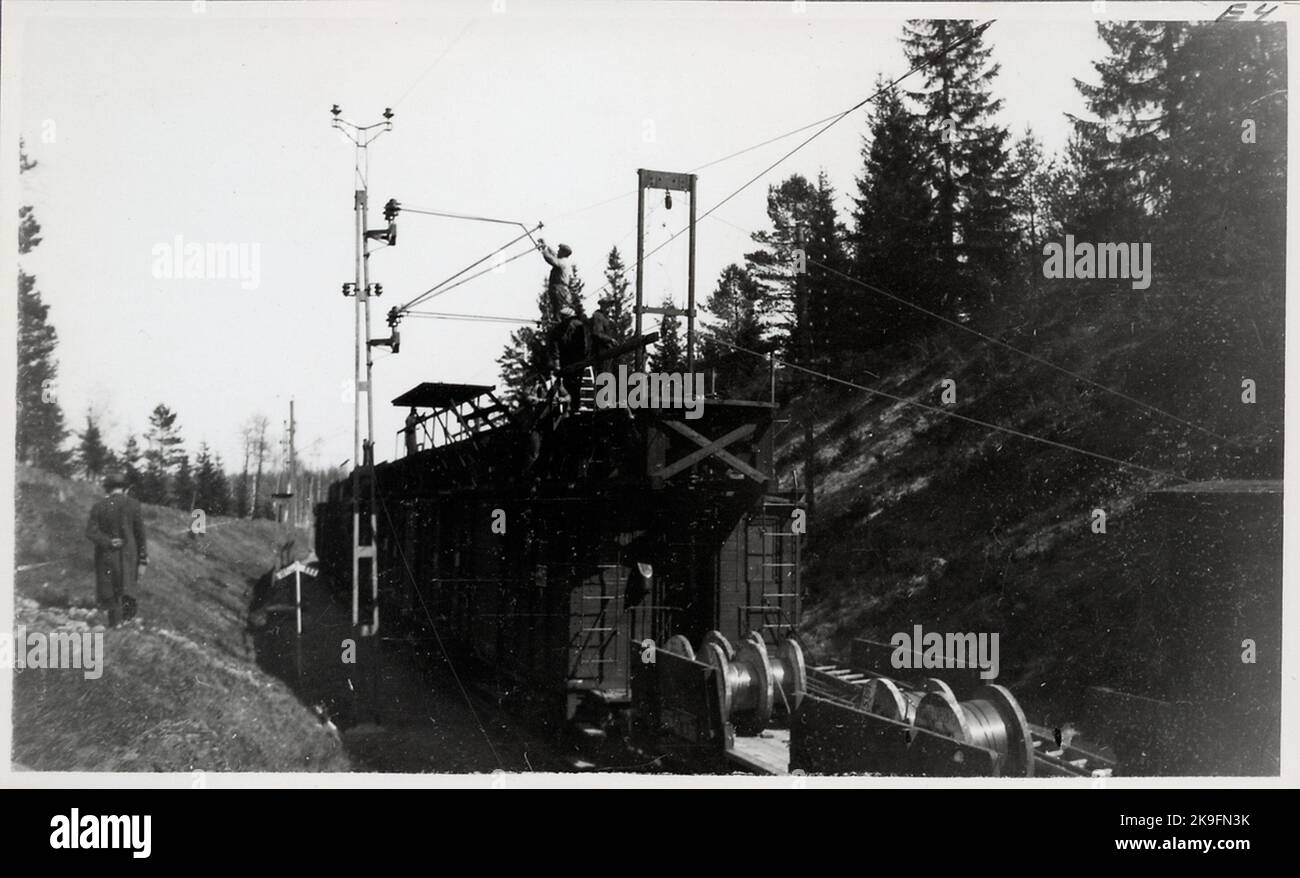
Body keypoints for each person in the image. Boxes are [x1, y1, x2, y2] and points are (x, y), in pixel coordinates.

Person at [85, 468, 148, 628]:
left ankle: (115, 624)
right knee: (127, 588)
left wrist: (108, 541)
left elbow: (90, 532)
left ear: (107, 488)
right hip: (129, 556)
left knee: (111, 590)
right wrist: (143, 559)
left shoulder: (98, 506)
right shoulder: (133, 505)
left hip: (106, 555)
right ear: (125, 488)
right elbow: (140, 534)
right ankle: (128, 624)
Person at [548, 304, 589, 414]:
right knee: (574, 384)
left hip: (569, 361)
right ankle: (573, 407)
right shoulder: (578, 326)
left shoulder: (559, 329)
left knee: (569, 385)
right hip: (575, 360)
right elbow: (584, 345)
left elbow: (555, 348)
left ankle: (571, 407)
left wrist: (557, 362)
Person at [538, 239, 573, 318]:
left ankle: (558, 321)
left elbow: (551, 259)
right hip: (561, 289)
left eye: (560, 250)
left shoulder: (562, 262)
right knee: (558, 309)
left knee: (559, 309)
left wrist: (543, 251)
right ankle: (558, 319)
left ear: (564, 253)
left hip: (559, 289)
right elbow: (554, 254)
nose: (558, 251)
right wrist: (546, 246)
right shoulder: (564, 260)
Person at [589, 295, 617, 372]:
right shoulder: (598, 316)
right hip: (600, 350)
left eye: (611, 305)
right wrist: (610, 340)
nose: (610, 308)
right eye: (608, 305)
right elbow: (597, 333)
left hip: (607, 350)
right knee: (604, 373)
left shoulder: (605, 317)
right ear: (602, 306)